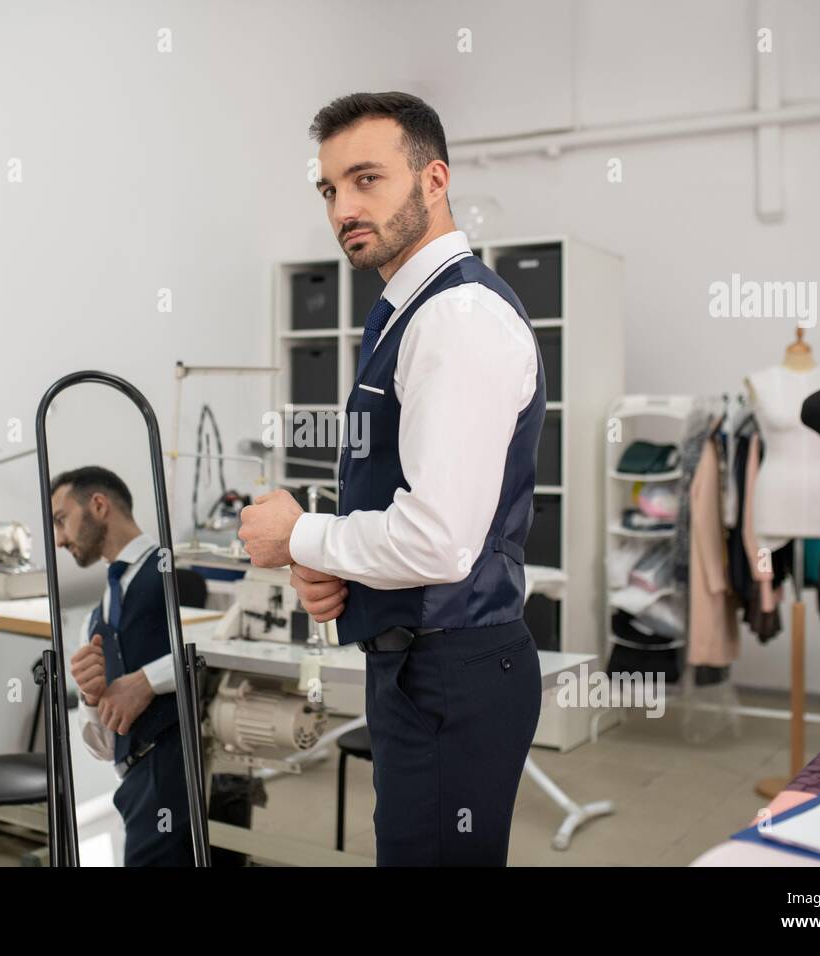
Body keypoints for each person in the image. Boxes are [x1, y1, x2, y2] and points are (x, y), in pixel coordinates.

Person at [238, 92, 546, 866]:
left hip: (455, 672)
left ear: (434, 180)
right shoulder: (405, 310)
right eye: (329, 189)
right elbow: (406, 507)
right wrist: (332, 565)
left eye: (367, 179)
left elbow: (439, 543)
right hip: (420, 665)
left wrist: (297, 534)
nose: (344, 207)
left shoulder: (458, 318)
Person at [52, 465, 194, 866]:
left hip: (174, 769)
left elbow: (218, 651)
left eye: (62, 520)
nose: (59, 540)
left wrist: (148, 681)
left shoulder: (174, 572)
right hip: (134, 785)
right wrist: (91, 697)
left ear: (98, 505)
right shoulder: (95, 618)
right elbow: (101, 745)